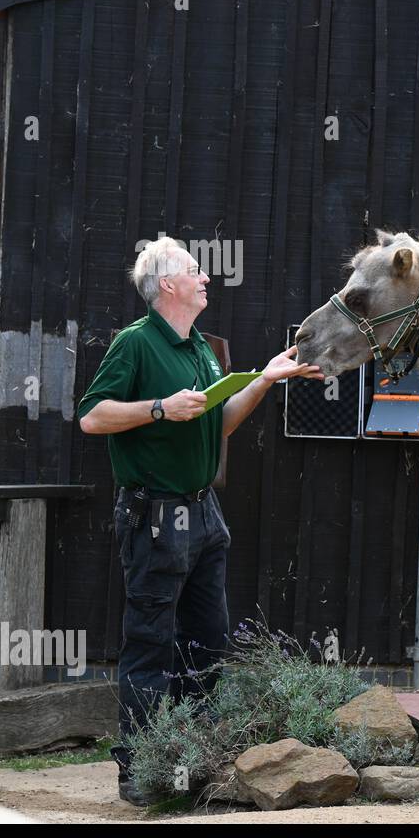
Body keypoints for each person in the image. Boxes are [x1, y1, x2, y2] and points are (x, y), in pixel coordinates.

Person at [77, 236, 322, 805]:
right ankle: (138, 770)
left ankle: (194, 763)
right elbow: (92, 417)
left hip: (202, 514)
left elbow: (220, 426)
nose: (206, 276)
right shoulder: (135, 345)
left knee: (208, 646)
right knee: (149, 645)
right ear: (167, 284)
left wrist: (263, 379)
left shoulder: (198, 350)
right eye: (195, 270)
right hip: (155, 517)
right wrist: (159, 408)